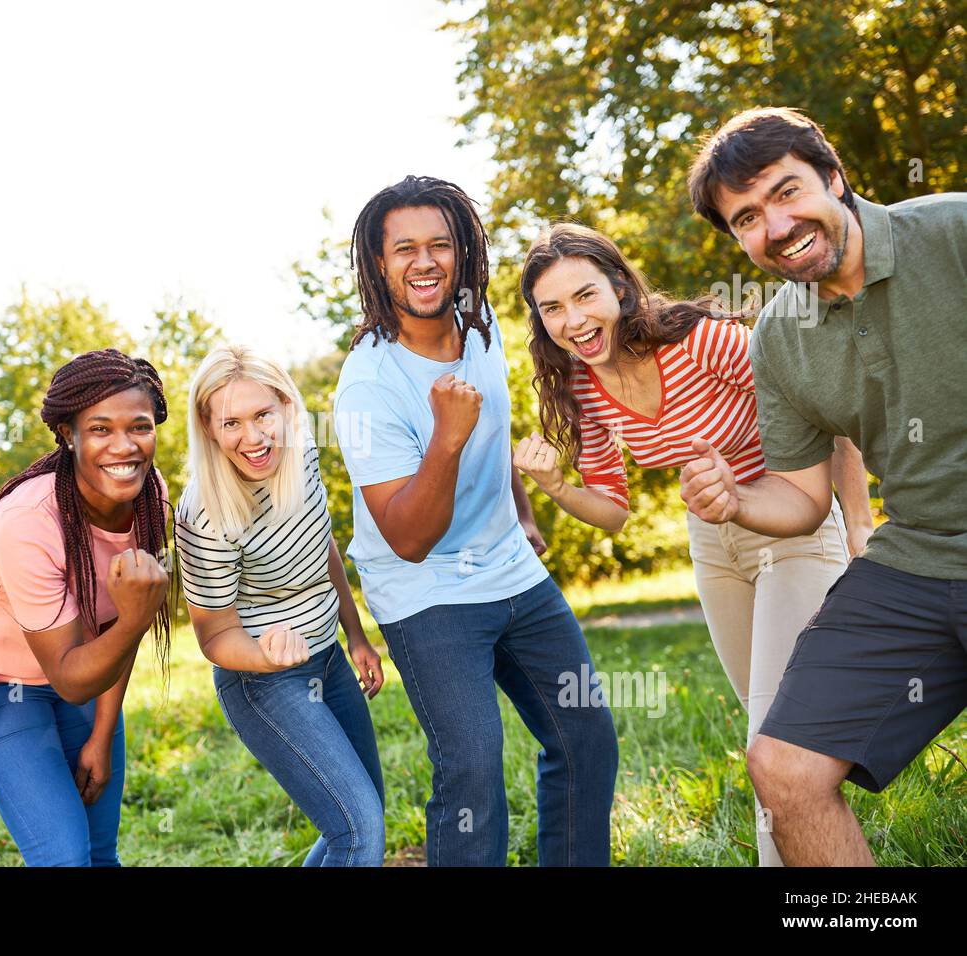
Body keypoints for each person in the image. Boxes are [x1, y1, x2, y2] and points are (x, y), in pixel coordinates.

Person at [515, 222, 872, 866]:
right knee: (772, 735)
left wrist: (860, 526)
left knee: (776, 742)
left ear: (621, 288)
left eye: (585, 295)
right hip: (713, 541)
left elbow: (827, 411)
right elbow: (614, 512)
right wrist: (557, 485)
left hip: (794, 512)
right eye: (552, 308)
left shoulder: (701, 343)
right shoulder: (583, 386)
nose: (573, 319)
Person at [683, 106, 967, 865]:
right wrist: (735, 501)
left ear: (835, 179)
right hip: (917, 561)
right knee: (784, 768)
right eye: (747, 217)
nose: (775, 225)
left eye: (786, 192)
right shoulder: (777, 337)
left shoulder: (952, 231)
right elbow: (804, 499)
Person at [332, 175, 617, 866]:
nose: (424, 261)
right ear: (378, 262)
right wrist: (447, 437)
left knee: (586, 739)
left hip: (514, 573)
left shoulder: (479, 329)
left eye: (440, 244)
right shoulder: (367, 383)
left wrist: (519, 510)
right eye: (404, 249)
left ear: (463, 253)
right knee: (473, 771)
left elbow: (497, 428)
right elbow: (408, 536)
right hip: (427, 594)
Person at [0, 349, 171, 866]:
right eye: (100, 430)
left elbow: (115, 629)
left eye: (139, 426)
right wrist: (135, 619)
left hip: (89, 671)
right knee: (65, 856)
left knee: (98, 853)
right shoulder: (28, 522)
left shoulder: (150, 495)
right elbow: (74, 673)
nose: (124, 446)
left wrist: (102, 734)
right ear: (68, 435)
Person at [175, 346, 386, 866]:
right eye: (232, 422)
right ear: (208, 427)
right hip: (262, 680)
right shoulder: (204, 511)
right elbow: (213, 636)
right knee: (359, 830)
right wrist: (270, 655)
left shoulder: (301, 450)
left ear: (287, 407)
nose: (253, 437)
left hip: (329, 657)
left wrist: (354, 635)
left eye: (263, 414)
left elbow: (322, 544)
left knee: (359, 819)